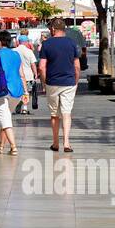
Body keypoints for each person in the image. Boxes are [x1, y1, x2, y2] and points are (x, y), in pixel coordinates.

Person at [38, 18, 81, 152]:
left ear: (53, 29)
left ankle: (56, 143)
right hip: (69, 82)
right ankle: (67, 143)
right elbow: (77, 66)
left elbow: (41, 67)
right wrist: (76, 81)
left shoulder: (46, 44)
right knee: (66, 113)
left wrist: (44, 83)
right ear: (64, 29)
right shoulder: (72, 43)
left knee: (54, 114)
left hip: (52, 82)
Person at [0, 31, 24, 154]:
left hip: (1, 90)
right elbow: (21, 74)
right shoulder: (16, 54)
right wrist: (26, 92)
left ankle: (13, 147)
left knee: (5, 119)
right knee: (5, 117)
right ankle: (2, 145)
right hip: (16, 91)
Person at [15, 34, 37, 115]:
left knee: (18, 92)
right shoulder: (29, 51)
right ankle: (24, 108)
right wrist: (35, 73)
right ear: (25, 42)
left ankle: (18, 103)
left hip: (16, 75)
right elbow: (33, 64)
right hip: (28, 75)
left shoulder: (14, 51)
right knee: (27, 92)